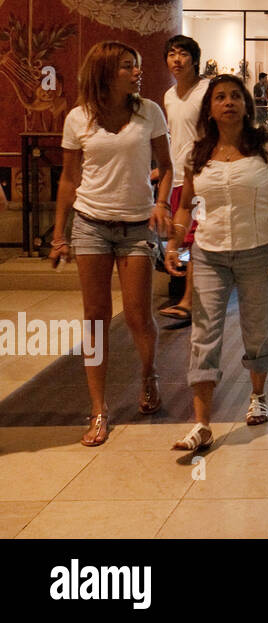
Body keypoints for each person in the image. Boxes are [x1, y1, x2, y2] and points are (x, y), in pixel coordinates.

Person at [50, 41, 172, 447]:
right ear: (105, 71)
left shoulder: (149, 112)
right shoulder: (78, 119)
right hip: (91, 223)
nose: (137, 72)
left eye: (136, 65)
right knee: (96, 316)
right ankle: (99, 408)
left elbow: (167, 168)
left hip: (137, 225)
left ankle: (148, 375)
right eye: (126, 66)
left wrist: (159, 204)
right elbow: (68, 180)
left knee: (138, 315)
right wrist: (58, 234)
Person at [164, 74, 268, 450]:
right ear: (210, 108)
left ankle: (257, 397)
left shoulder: (266, 147)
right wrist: (174, 242)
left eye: (235, 96)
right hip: (209, 253)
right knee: (203, 334)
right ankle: (201, 423)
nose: (228, 102)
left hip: (257, 250)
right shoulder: (197, 153)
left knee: (257, 328)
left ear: (246, 104)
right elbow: (187, 204)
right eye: (220, 97)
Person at [158, 35, 207, 327]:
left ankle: (189, 301)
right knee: (180, 238)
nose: (176, 59)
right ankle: (188, 296)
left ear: (195, 59)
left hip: (201, 177)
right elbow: (174, 136)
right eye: (172, 53)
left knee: (199, 238)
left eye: (183, 54)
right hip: (177, 177)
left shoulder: (207, 90)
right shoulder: (168, 96)